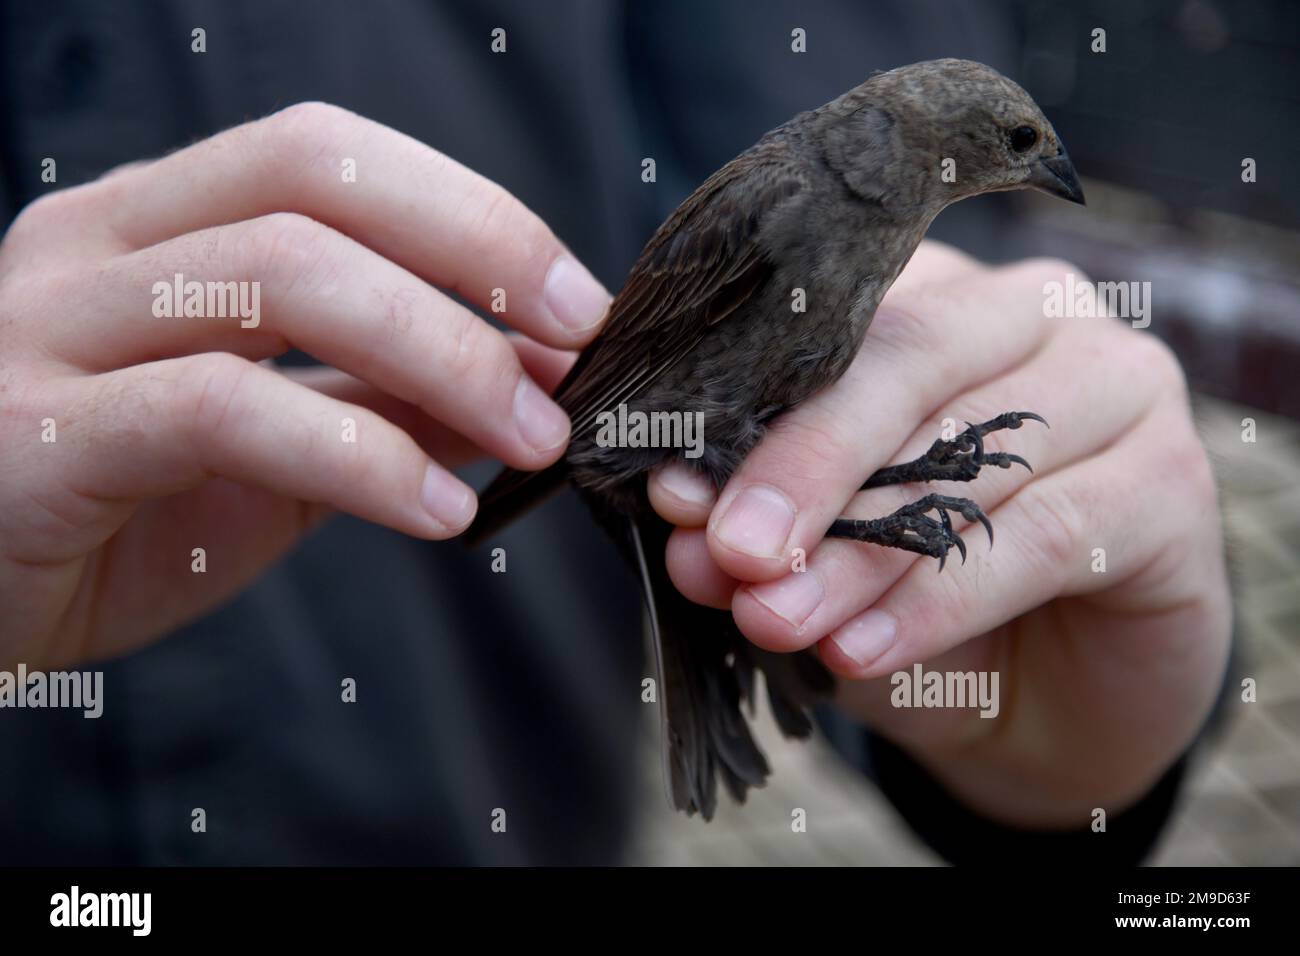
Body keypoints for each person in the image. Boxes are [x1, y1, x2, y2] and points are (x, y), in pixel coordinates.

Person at [0, 0, 1231, 864]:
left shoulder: (875, 195)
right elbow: (666, 375)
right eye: (1019, 148)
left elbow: (915, 369)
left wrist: (1070, 764)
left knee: (777, 492)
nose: (1037, 166)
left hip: (522, 783)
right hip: (504, 664)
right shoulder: (796, 193)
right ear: (953, 143)